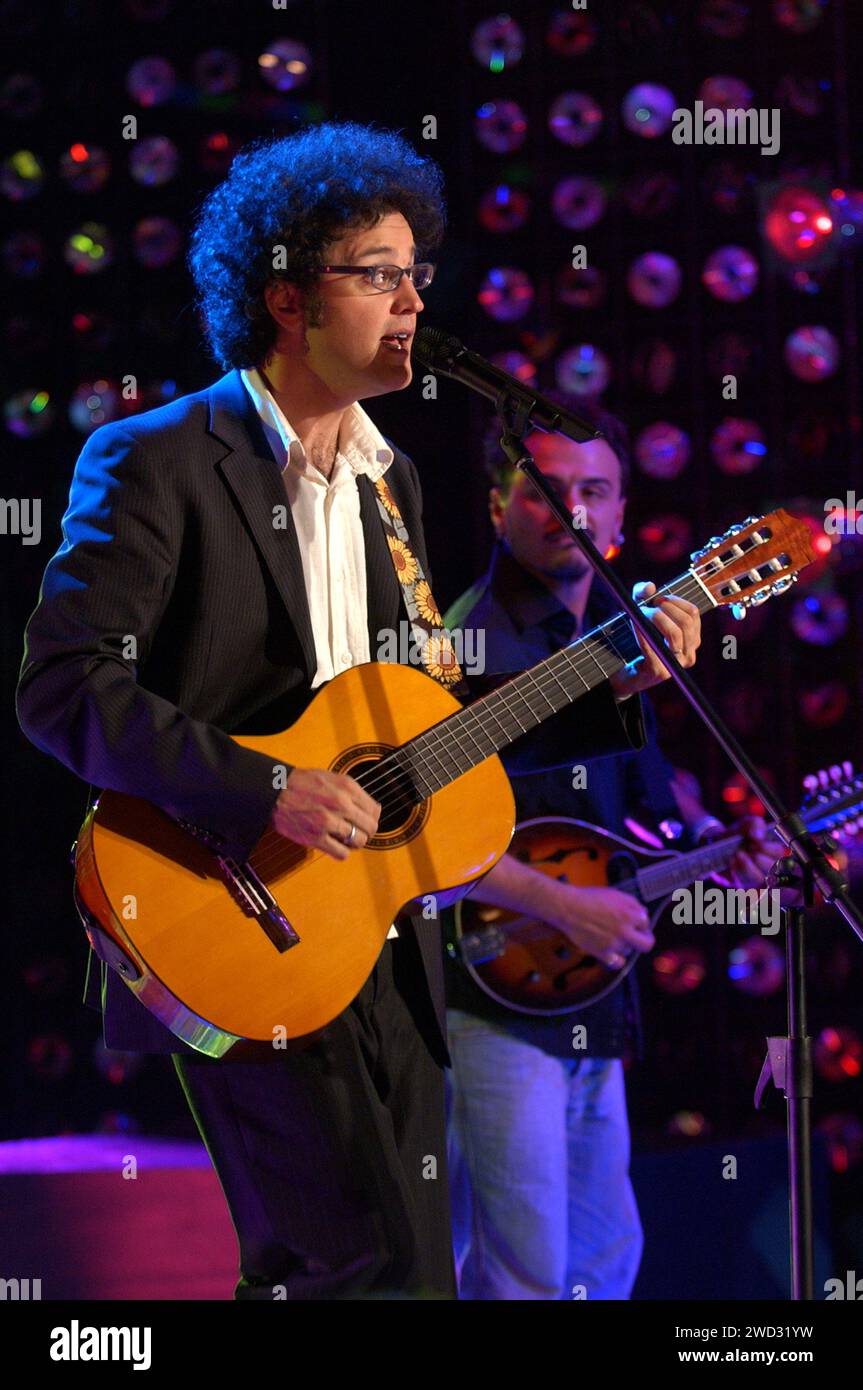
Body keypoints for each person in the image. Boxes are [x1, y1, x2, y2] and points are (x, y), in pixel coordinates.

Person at [15, 124, 698, 1300]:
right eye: (378, 273)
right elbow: (65, 687)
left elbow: (416, 718)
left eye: (416, 273)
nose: (411, 298)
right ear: (284, 296)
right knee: (346, 1269)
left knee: (405, 1275)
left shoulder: (393, 482)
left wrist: (604, 678)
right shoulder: (158, 460)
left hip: (382, 935)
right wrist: (270, 787)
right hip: (232, 911)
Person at [443, 401, 774, 1301]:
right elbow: (428, 836)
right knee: (522, 1271)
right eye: (545, 490)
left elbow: (628, 825)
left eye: (594, 490)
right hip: (493, 998)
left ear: (623, 514)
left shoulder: (605, 644)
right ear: (496, 506)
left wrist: (713, 848)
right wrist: (564, 905)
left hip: (587, 989)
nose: (571, 510)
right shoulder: (467, 639)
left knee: (599, 1258)